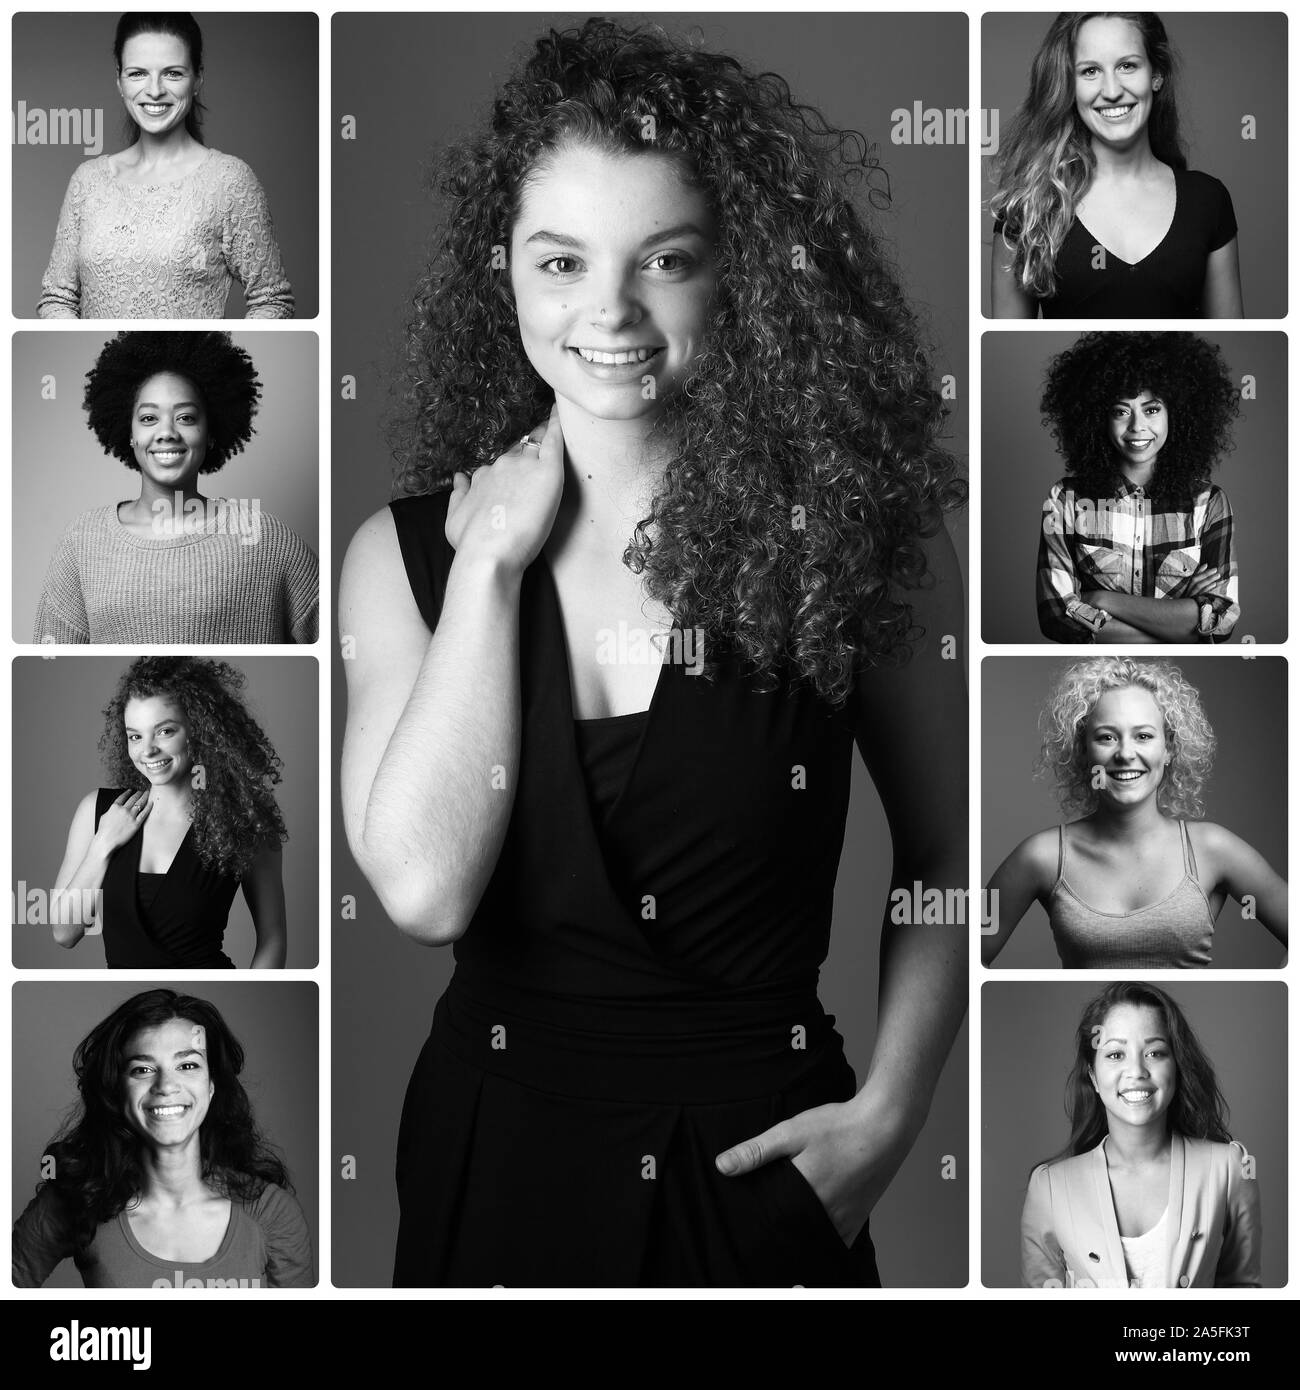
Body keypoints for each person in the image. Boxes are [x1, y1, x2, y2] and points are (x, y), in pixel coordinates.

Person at [340, 18, 967, 1287]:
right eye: (560, 260)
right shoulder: (404, 556)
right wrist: (488, 571)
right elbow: (422, 891)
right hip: (494, 1158)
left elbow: (949, 848)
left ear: (735, 273)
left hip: (766, 1167)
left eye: (664, 259)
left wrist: (892, 1115)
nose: (608, 311)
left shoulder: (849, 535)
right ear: (501, 274)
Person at [983, 657, 1286, 966]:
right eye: (1106, 737)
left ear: (1168, 748)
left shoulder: (1213, 849)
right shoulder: (1041, 856)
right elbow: (958, 958)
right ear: (1083, 750)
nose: (1126, 754)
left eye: (1143, 736)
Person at [12, 989, 314, 1287]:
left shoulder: (271, 1211)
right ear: (117, 1091)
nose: (166, 1085)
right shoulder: (75, 1199)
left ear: (211, 1086)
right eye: (143, 1069)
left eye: (187, 1065)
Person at [33, 331, 319, 644]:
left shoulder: (265, 537)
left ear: (210, 432)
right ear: (129, 433)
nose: (166, 432)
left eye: (185, 417)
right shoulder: (82, 541)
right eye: (148, 418)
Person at [37, 12, 293, 319]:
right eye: (137, 73)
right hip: (109, 363)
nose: (154, 89)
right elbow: (57, 297)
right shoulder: (87, 181)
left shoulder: (229, 180)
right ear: (119, 80)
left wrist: (204, 362)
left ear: (198, 78)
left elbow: (271, 300)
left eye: (172, 73)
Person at [990, 12, 1242, 318]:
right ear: (1069, 85)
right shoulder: (1028, 207)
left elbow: (1228, 328)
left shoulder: (1209, 200)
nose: (1111, 91)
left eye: (1127, 66)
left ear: (1156, 74)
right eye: (1090, 70)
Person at [51, 657, 289, 968]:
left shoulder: (245, 820)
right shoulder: (97, 811)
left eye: (164, 731)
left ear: (200, 729)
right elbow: (64, 933)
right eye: (135, 736)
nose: (147, 750)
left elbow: (273, 938)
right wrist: (102, 846)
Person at [1020, 982, 1261, 1288]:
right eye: (1116, 1054)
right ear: (1093, 1076)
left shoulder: (1229, 1169)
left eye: (1155, 1052)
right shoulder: (1048, 1188)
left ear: (1176, 1067)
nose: (1136, 1071)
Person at [1036, 331, 1239, 644]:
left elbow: (1219, 621)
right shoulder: (1066, 500)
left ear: (1179, 414)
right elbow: (1057, 617)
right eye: (1120, 411)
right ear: (1097, 419)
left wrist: (1101, 600)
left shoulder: (1208, 502)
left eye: (1152, 409)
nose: (1137, 426)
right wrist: (1177, 623)